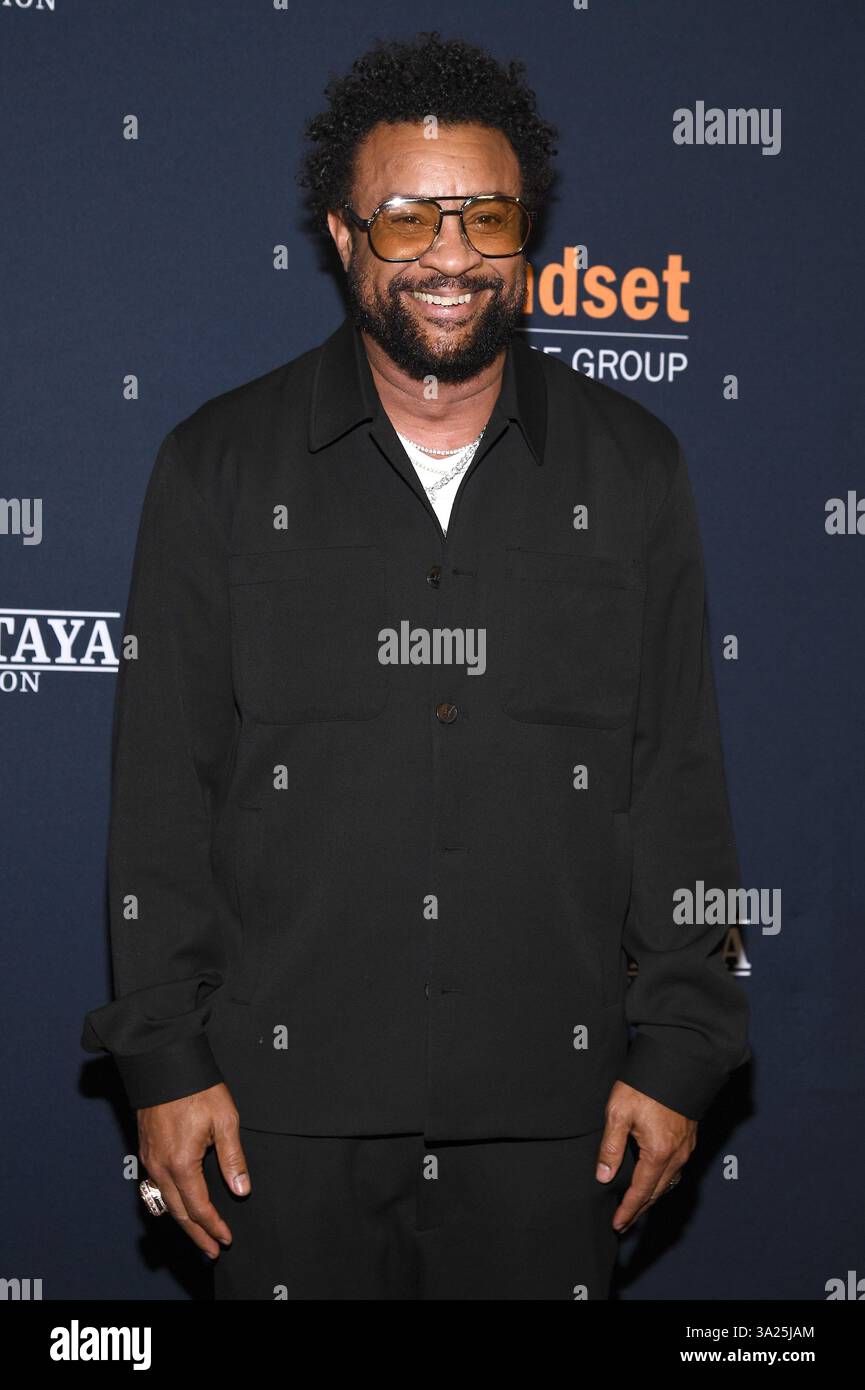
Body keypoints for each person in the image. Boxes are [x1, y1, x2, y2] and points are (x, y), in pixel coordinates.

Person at [82, 30, 751, 1301]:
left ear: (525, 232)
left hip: (555, 1116)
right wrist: (164, 1062)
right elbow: (163, 793)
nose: (449, 253)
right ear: (343, 237)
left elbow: (677, 777)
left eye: (482, 215)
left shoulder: (633, 468)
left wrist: (681, 1052)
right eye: (405, 217)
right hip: (278, 1116)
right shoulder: (218, 467)